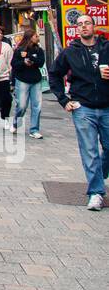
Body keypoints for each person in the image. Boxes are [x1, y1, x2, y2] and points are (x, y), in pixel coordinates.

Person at [48, 14, 109, 210]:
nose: (83, 27)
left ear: (95, 26)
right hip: (83, 108)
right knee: (89, 151)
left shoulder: (107, 48)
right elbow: (55, 75)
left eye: (87, 23)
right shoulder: (70, 52)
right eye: (80, 24)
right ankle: (96, 193)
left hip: (107, 106)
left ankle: (100, 173)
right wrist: (64, 100)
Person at [11, 26, 45, 139]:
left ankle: (34, 129)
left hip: (36, 80)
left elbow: (40, 63)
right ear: (30, 37)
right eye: (36, 36)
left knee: (37, 106)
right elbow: (14, 64)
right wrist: (23, 63)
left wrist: (30, 57)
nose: (38, 38)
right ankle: (16, 123)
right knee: (22, 105)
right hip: (22, 80)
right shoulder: (19, 50)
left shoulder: (38, 50)